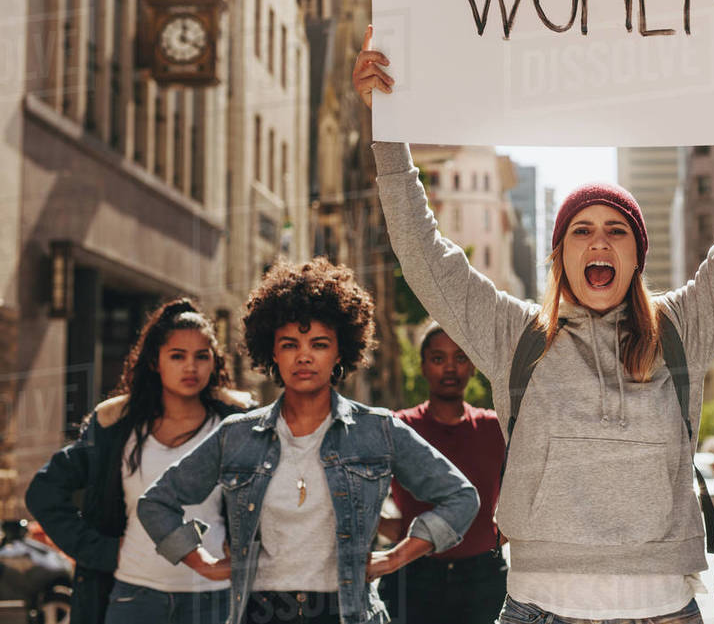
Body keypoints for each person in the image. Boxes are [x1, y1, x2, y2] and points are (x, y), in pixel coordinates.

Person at [352, 16, 714, 624]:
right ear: (561, 257)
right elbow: (425, 254)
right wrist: (387, 134)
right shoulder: (515, 335)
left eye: (615, 231)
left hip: (662, 609)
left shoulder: (683, 329)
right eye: (581, 230)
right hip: (538, 607)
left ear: (635, 257)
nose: (598, 241)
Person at [136, 258, 480, 624]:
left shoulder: (376, 430)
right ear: (272, 351)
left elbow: (461, 497)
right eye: (289, 344)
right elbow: (155, 503)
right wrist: (201, 562)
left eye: (318, 344)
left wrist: (395, 557)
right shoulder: (237, 435)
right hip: (260, 614)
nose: (303, 356)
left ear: (339, 353)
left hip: (345, 613)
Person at [25, 299, 254, 624]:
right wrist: (101, 551)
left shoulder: (239, 426)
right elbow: (43, 493)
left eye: (201, 356)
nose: (191, 367)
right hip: (134, 598)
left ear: (214, 362)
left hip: (214, 600)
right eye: (177, 356)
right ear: (154, 362)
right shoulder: (115, 428)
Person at [378, 322, 507, 624]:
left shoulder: (494, 428)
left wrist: (498, 535)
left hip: (483, 580)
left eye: (460, 358)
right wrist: (388, 529)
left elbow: (528, 494)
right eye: (438, 358)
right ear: (422, 366)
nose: (450, 368)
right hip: (413, 577)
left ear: (473, 366)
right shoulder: (399, 427)